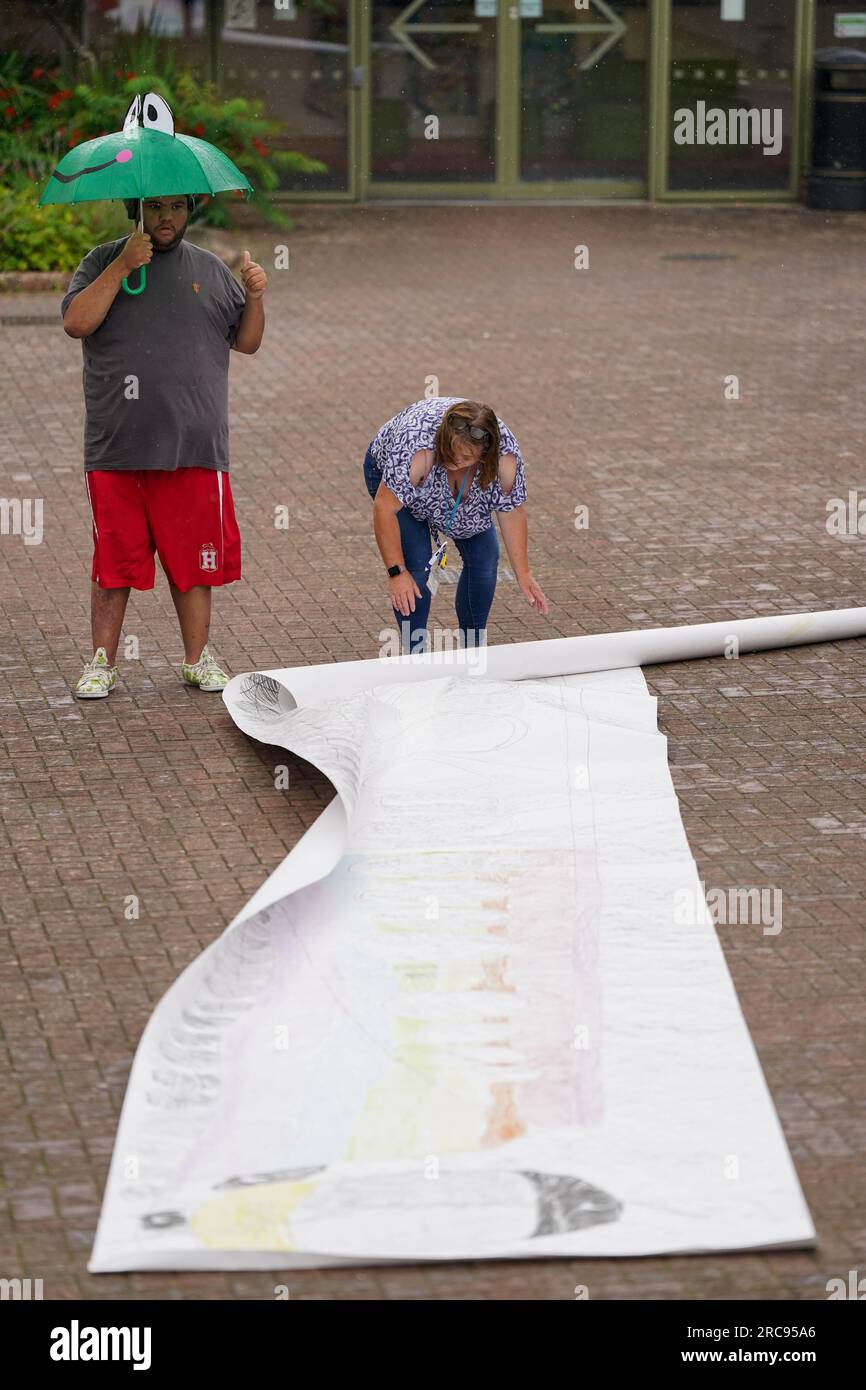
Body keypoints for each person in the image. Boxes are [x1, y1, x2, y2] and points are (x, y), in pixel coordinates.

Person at [61, 192, 267, 698]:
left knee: (194, 561)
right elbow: (76, 322)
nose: (166, 218)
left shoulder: (212, 270)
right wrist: (123, 266)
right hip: (117, 445)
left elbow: (246, 341)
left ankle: (197, 660)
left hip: (193, 446)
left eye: (176, 207)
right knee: (115, 562)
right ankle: (101, 664)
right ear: (137, 210)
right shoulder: (101, 261)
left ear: (190, 210)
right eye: (155, 208)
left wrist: (256, 296)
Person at [364, 397, 549, 652]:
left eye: (463, 456)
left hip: (460, 486)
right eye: (448, 450)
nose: (452, 459)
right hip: (393, 474)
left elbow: (511, 512)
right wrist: (396, 572)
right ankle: (415, 653)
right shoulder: (417, 449)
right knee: (416, 564)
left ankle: (472, 648)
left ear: (485, 454)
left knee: (485, 559)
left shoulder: (505, 458)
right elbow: (385, 509)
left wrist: (524, 573)